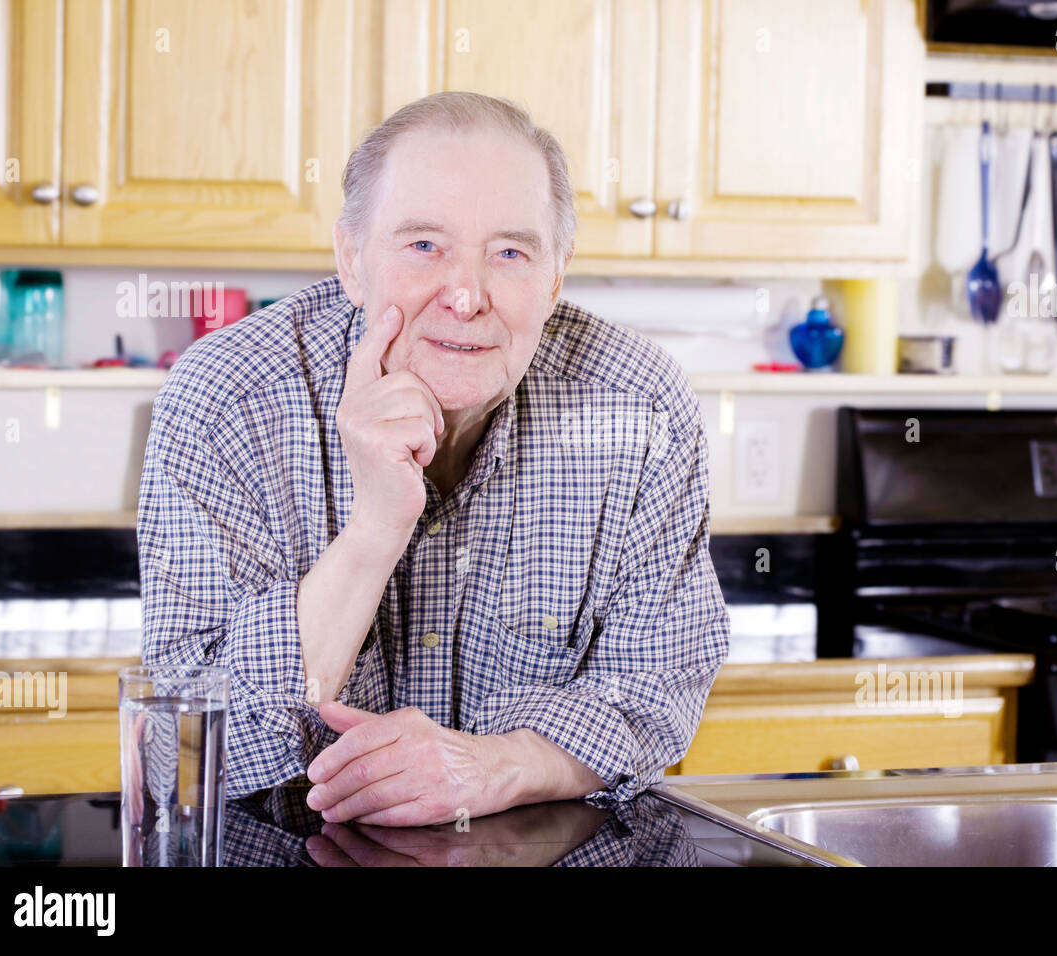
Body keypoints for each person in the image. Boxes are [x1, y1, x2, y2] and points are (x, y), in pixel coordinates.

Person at [137, 91, 729, 827]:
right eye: (424, 245)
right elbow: (192, 749)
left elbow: (658, 689)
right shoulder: (226, 399)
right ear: (352, 260)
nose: (466, 295)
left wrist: (494, 766)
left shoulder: (642, 406)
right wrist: (375, 526)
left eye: (509, 253)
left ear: (555, 276)